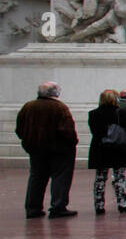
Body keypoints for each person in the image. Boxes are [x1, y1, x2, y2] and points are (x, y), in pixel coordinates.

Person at [16, 82, 79, 219]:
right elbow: (67, 130)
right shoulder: (59, 107)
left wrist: (28, 141)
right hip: (58, 150)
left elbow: (20, 128)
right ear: (54, 93)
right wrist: (72, 143)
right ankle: (58, 207)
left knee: (36, 177)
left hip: (36, 149)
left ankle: (33, 208)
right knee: (60, 178)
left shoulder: (29, 106)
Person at [86, 88, 126, 215]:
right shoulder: (121, 112)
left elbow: (95, 132)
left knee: (100, 178)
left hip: (101, 148)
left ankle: (99, 205)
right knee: (119, 177)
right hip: (118, 148)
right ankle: (122, 203)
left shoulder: (93, 113)